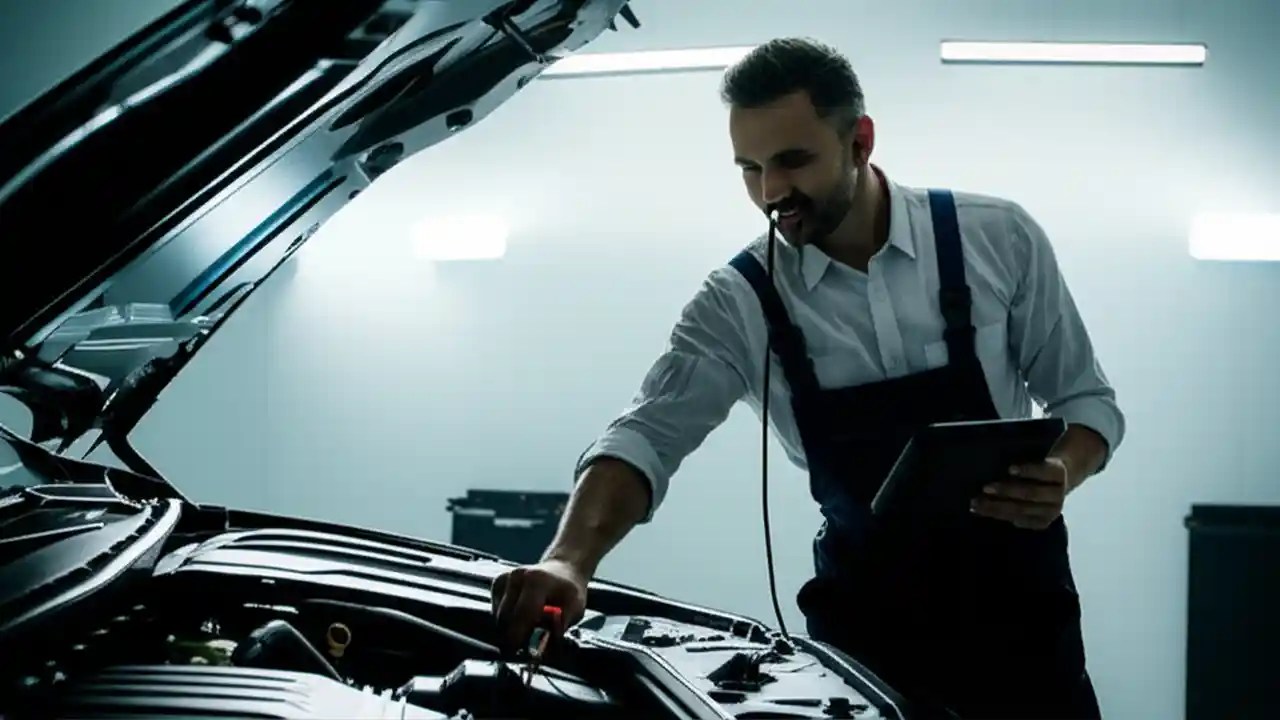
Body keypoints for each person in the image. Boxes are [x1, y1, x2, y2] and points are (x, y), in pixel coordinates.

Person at [491, 37, 1124, 719]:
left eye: (793, 161)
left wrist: (1061, 470)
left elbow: (1088, 403)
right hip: (868, 637)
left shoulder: (997, 238)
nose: (771, 192)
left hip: (1022, 616)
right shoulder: (737, 301)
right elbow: (645, 436)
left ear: (860, 142)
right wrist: (567, 561)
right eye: (750, 168)